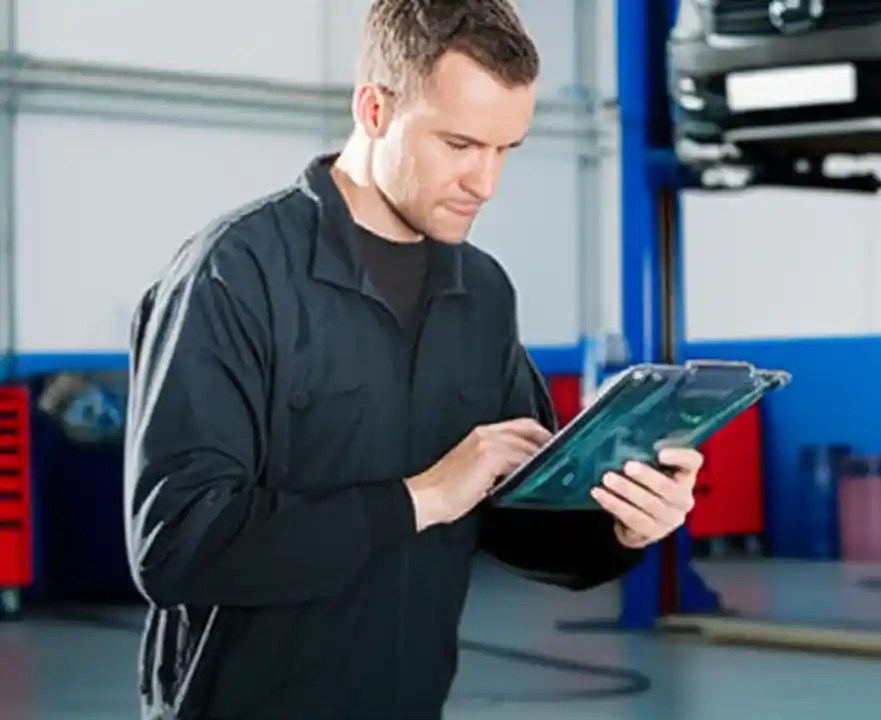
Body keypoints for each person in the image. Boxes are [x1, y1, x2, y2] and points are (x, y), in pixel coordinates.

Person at [121, 1, 704, 718]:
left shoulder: (482, 292)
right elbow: (177, 545)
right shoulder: (233, 275)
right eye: (459, 144)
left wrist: (621, 523)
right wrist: (420, 498)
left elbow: (511, 516)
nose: (484, 183)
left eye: (505, 150)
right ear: (373, 108)